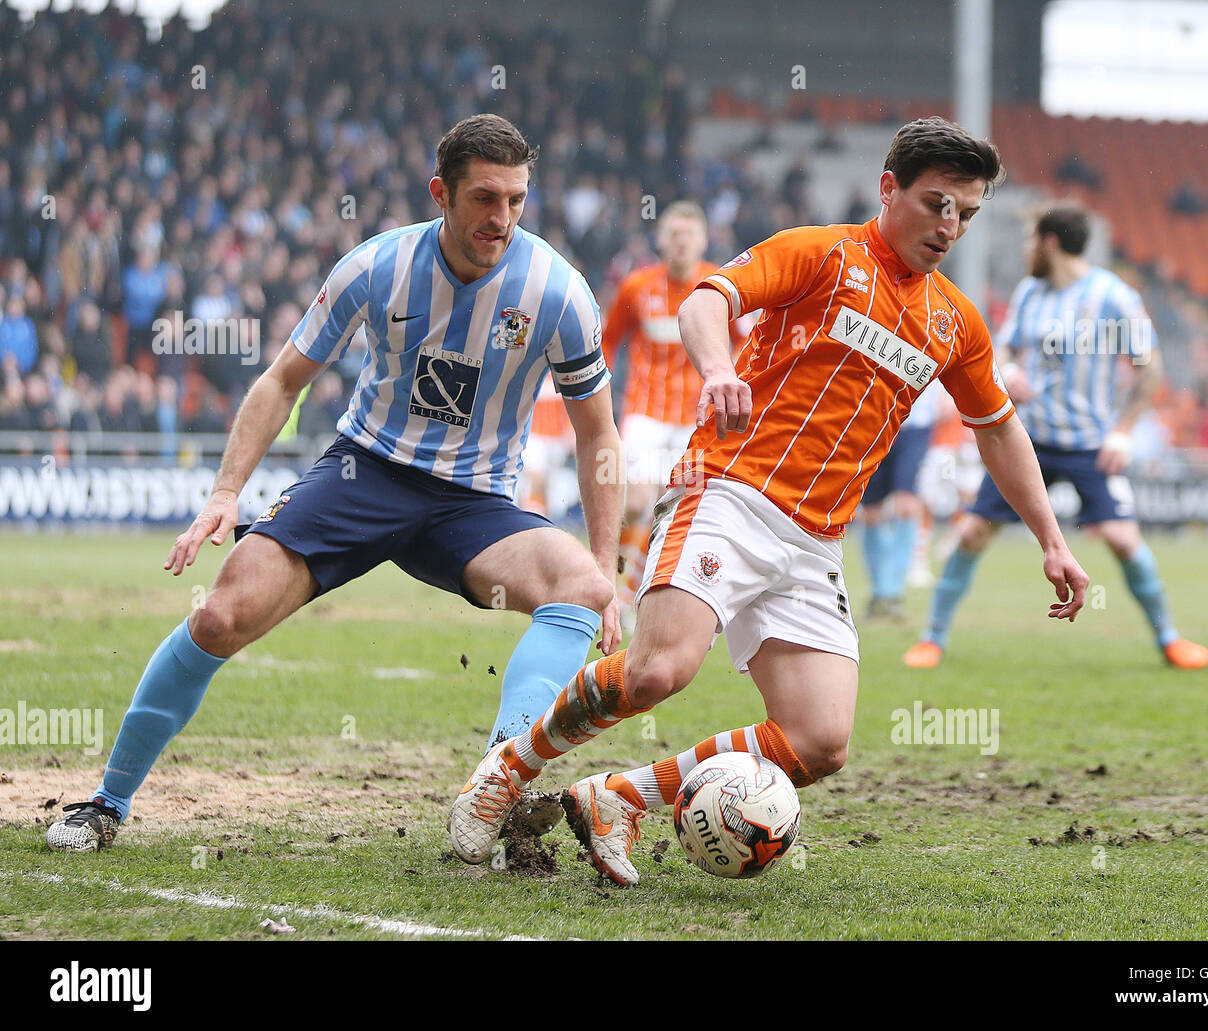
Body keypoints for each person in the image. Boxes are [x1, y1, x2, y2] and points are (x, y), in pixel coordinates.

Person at [447, 118, 1091, 886]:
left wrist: (1052, 539)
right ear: (889, 190)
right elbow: (705, 302)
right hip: (730, 490)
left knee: (820, 740)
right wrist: (718, 367)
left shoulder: (956, 320)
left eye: (966, 213)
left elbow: (999, 431)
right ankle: (506, 770)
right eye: (936, 203)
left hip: (815, 541)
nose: (950, 226)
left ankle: (618, 796)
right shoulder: (823, 252)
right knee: (657, 672)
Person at [46, 114, 624, 852]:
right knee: (222, 614)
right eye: (484, 198)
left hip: (473, 501)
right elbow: (283, 381)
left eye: (516, 200)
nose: (502, 218)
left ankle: (498, 787)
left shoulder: (559, 293)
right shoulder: (375, 266)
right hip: (364, 473)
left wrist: (606, 566)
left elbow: (597, 432)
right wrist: (226, 492)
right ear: (440, 193)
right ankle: (106, 802)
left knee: (581, 587)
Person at [903, 205, 1208, 670]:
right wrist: (1006, 371)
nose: (1027, 250)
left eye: (1030, 240)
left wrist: (1123, 433)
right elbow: (1002, 348)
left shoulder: (1114, 296)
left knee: (1123, 540)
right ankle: (932, 639)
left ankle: (1170, 639)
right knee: (972, 533)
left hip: (1090, 444)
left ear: (1049, 242)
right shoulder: (1030, 294)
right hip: (1030, 441)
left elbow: (1150, 369)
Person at [599, 200, 746, 619]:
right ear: (660, 239)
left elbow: (745, 341)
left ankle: (631, 595)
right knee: (633, 503)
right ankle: (613, 585)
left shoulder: (719, 288)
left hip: (696, 419)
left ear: (703, 240)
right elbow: (609, 339)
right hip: (644, 411)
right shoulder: (637, 286)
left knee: (675, 507)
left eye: (690, 235)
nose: (681, 243)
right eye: (674, 235)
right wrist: (601, 389)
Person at [856, 381, 938, 619]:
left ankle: (892, 592)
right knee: (870, 513)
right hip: (874, 423)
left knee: (907, 506)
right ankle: (879, 591)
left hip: (915, 427)